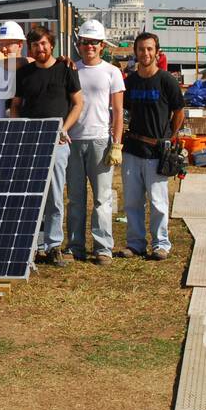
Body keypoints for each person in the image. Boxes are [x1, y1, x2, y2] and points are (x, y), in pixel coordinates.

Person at [11, 25, 83, 267]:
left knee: (54, 196)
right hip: (30, 141)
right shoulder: (24, 73)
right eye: (34, 45)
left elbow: (77, 104)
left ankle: (53, 246)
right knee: (30, 196)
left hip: (57, 141)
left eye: (43, 44)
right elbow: (16, 105)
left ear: (51, 44)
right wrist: (18, 130)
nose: (40, 48)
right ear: (29, 48)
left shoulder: (66, 69)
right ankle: (30, 246)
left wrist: (64, 129)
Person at [121, 32, 186, 261]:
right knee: (132, 201)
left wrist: (171, 136)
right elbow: (122, 110)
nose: (145, 53)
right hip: (132, 149)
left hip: (157, 151)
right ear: (135, 52)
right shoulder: (129, 82)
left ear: (156, 52)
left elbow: (179, 111)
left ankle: (161, 244)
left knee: (158, 202)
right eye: (141, 49)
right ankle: (135, 244)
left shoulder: (166, 80)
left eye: (149, 49)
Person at [66, 19, 125, 264]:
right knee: (76, 198)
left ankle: (103, 248)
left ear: (102, 45)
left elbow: (119, 111)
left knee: (102, 199)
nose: (89, 47)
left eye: (94, 43)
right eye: (85, 42)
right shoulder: (71, 70)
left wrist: (117, 143)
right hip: (74, 141)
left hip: (100, 141)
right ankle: (75, 246)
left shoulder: (112, 72)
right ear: (79, 45)